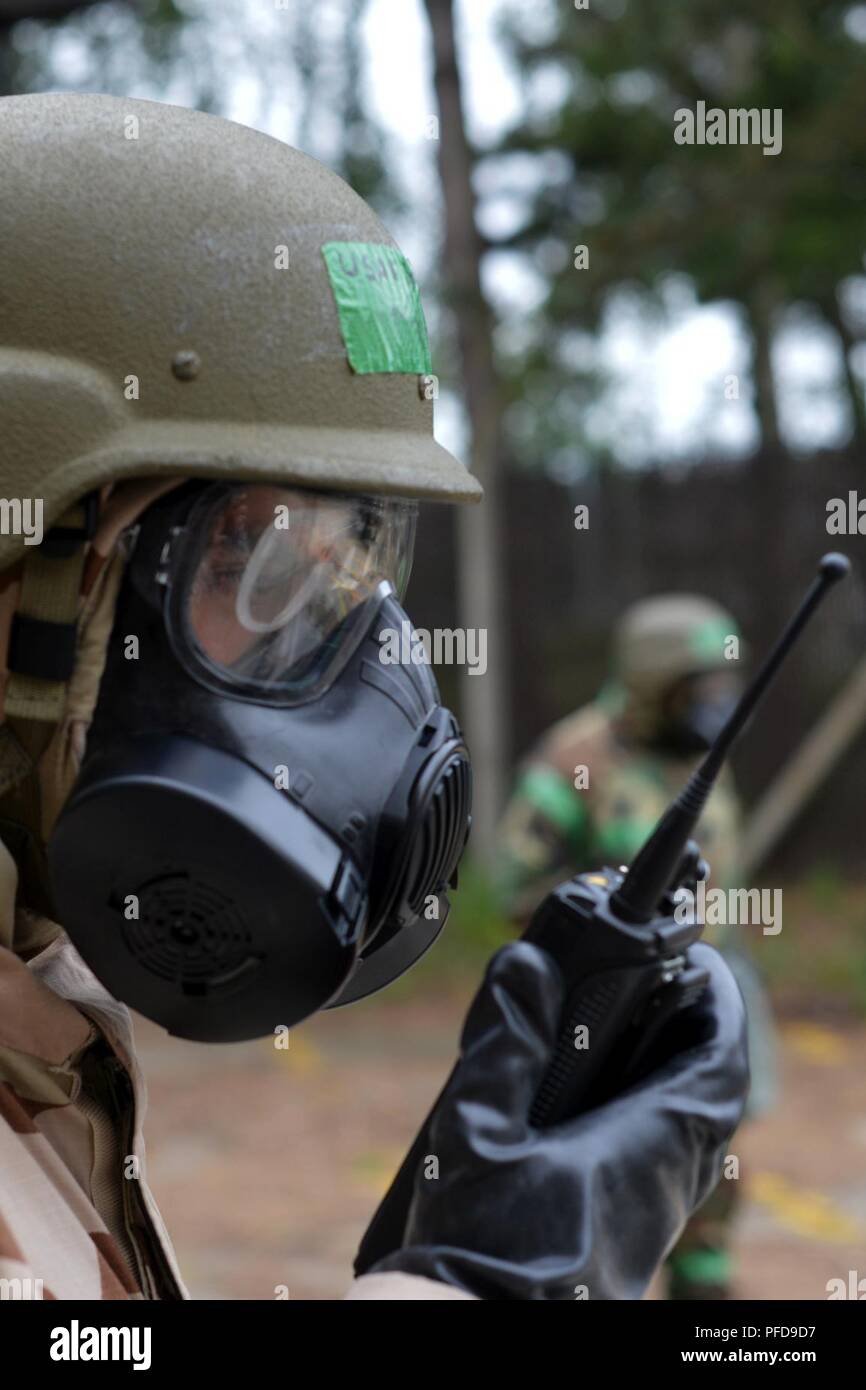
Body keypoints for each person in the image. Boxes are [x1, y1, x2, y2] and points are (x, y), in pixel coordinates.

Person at [0, 91, 748, 1303]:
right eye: (253, 565)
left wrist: (456, 1245)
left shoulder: (39, 1016)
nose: (360, 670)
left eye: (355, 572)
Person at [497, 593, 778, 1299]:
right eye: (700, 687)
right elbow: (520, 889)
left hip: (707, 990)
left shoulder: (704, 754)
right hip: (611, 1009)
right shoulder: (575, 758)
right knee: (596, 1180)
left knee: (711, 1164)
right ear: (658, 685)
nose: (717, 701)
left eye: (723, 683)